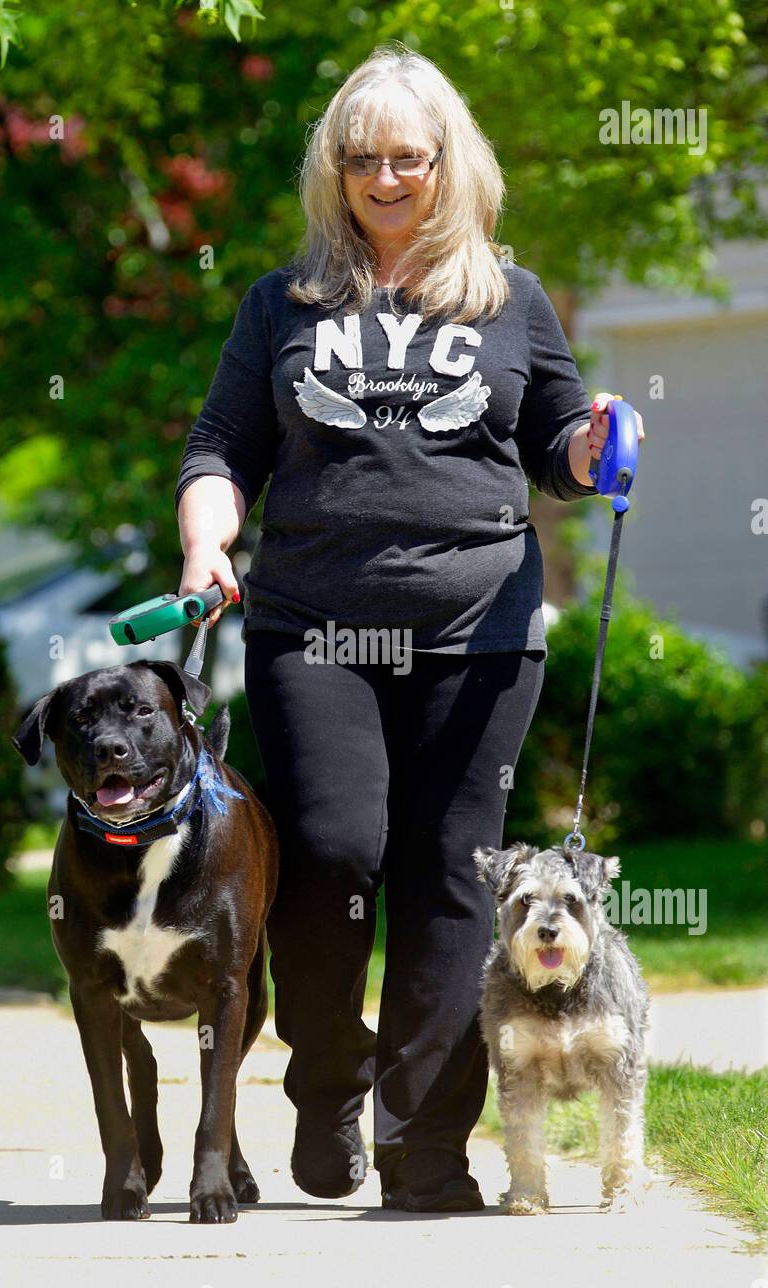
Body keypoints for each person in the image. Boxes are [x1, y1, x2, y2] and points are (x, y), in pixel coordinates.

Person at [175, 43, 645, 1213]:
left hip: (479, 633)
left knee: (449, 880)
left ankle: (425, 1149)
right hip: (313, 627)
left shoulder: (511, 298)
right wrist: (205, 540)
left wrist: (593, 442)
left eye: (410, 158)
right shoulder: (281, 303)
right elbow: (221, 450)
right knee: (330, 853)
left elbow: (557, 446)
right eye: (363, 158)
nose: (386, 179)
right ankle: (331, 1081)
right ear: (332, 169)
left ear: (450, 166)